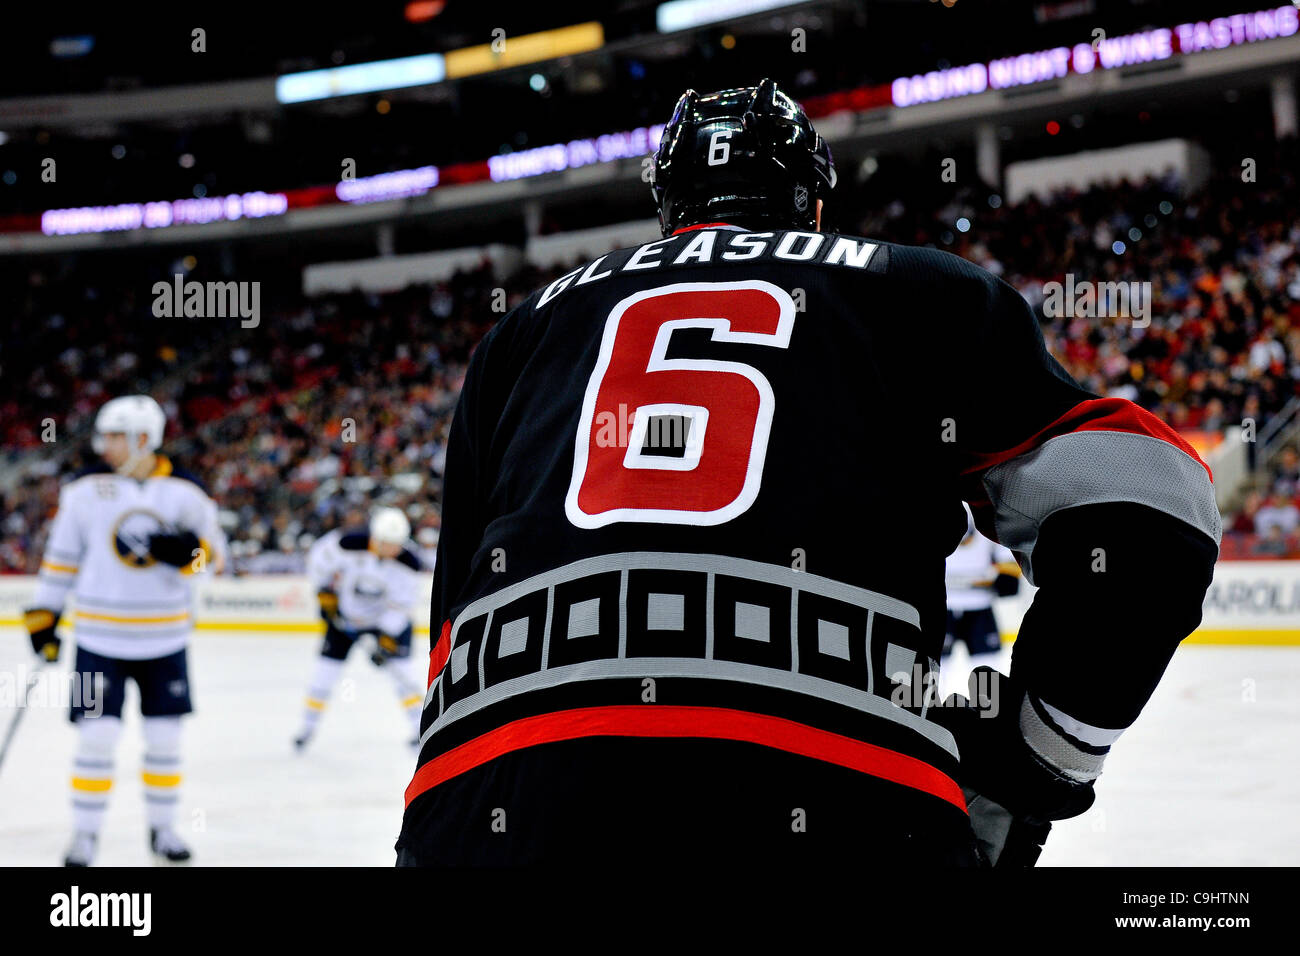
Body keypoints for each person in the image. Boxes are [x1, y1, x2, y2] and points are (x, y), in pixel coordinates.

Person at [395, 79, 1220, 866]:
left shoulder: (517, 338)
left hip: (487, 794)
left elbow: (456, 606)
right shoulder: (914, 288)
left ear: (666, 207)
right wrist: (1043, 759)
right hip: (833, 791)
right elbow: (1148, 497)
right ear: (815, 204)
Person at [25, 395, 226, 866]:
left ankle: (164, 830)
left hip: (165, 641)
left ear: (142, 438)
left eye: (114, 436)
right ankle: (85, 835)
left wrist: (188, 554)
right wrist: (44, 616)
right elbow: (61, 560)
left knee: (164, 742)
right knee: (96, 739)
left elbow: (213, 562)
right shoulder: (84, 491)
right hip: (99, 643)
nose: (104, 445)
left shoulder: (187, 493)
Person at [293, 507, 425, 750]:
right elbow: (318, 562)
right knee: (324, 675)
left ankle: (420, 729)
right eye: (386, 543)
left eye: (397, 544)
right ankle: (306, 727)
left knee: (405, 676)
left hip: (382, 625)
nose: (391, 550)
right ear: (375, 537)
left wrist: (385, 637)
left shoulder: (408, 565)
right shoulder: (346, 544)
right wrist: (324, 593)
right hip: (343, 620)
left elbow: (402, 606)